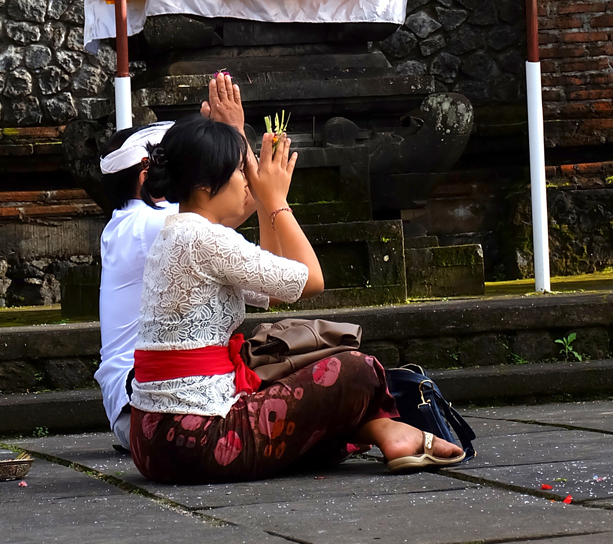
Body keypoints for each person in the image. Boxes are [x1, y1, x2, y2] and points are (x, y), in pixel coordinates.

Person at [129, 114, 465, 483]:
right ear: (208, 184)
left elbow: (275, 291)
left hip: (153, 442)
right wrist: (276, 202)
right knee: (357, 370)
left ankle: (380, 432)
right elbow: (312, 280)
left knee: (279, 369)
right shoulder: (206, 238)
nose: (248, 184)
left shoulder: (177, 234)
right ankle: (382, 429)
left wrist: (261, 202)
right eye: (242, 173)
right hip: (199, 440)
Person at [95, 73, 245, 450]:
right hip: (150, 405)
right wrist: (236, 140)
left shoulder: (128, 223)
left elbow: (224, 213)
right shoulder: (149, 224)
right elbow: (229, 212)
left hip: (133, 407)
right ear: (149, 173)